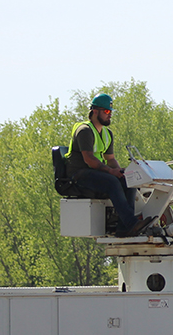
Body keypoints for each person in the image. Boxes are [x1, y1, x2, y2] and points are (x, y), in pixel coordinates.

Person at [64, 93, 150, 237]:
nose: (110, 115)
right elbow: (89, 160)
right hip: (80, 174)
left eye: (111, 112)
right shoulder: (85, 131)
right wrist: (111, 172)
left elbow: (110, 159)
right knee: (111, 182)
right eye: (107, 111)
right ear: (95, 111)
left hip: (96, 173)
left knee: (127, 181)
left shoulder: (107, 134)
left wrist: (120, 171)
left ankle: (124, 228)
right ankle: (131, 223)